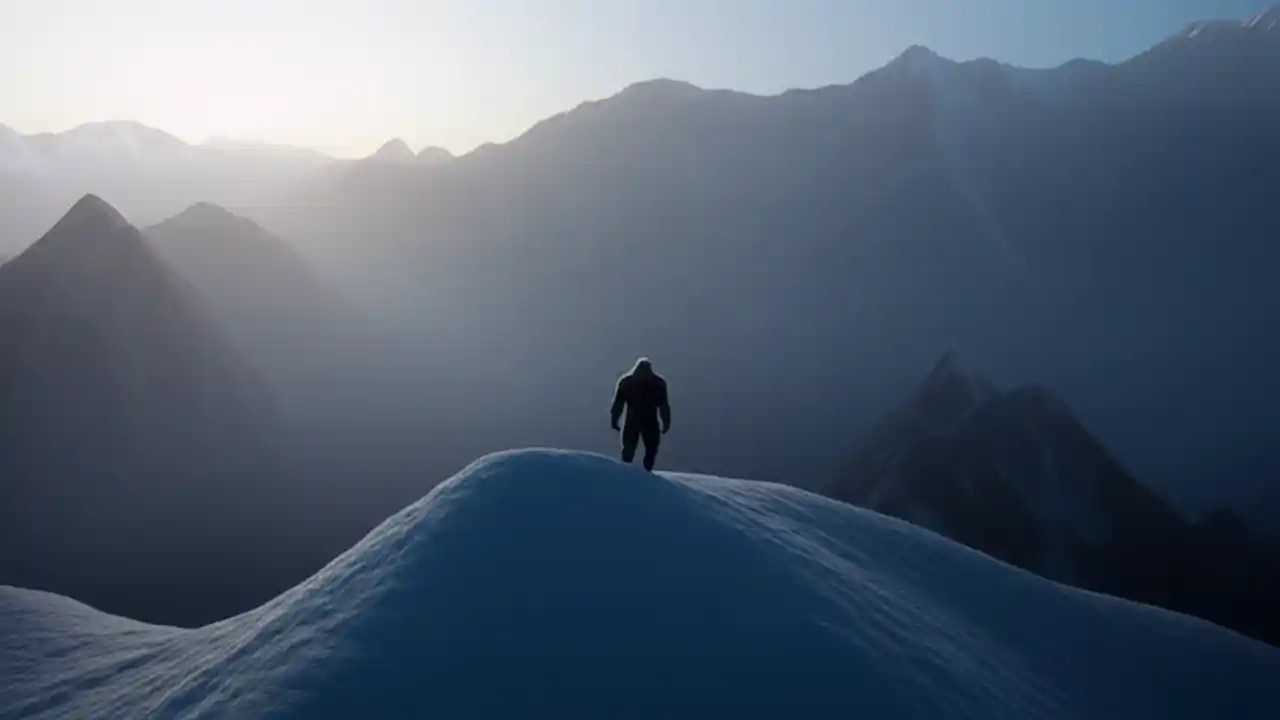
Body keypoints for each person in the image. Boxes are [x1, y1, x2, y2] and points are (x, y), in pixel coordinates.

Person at [610, 358, 671, 471]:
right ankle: (643, 470)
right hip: (648, 419)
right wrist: (666, 422)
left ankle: (629, 469)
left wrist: (614, 420)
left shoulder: (627, 382)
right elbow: (664, 406)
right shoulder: (658, 383)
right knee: (648, 449)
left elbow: (618, 404)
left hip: (634, 419)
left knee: (632, 448)